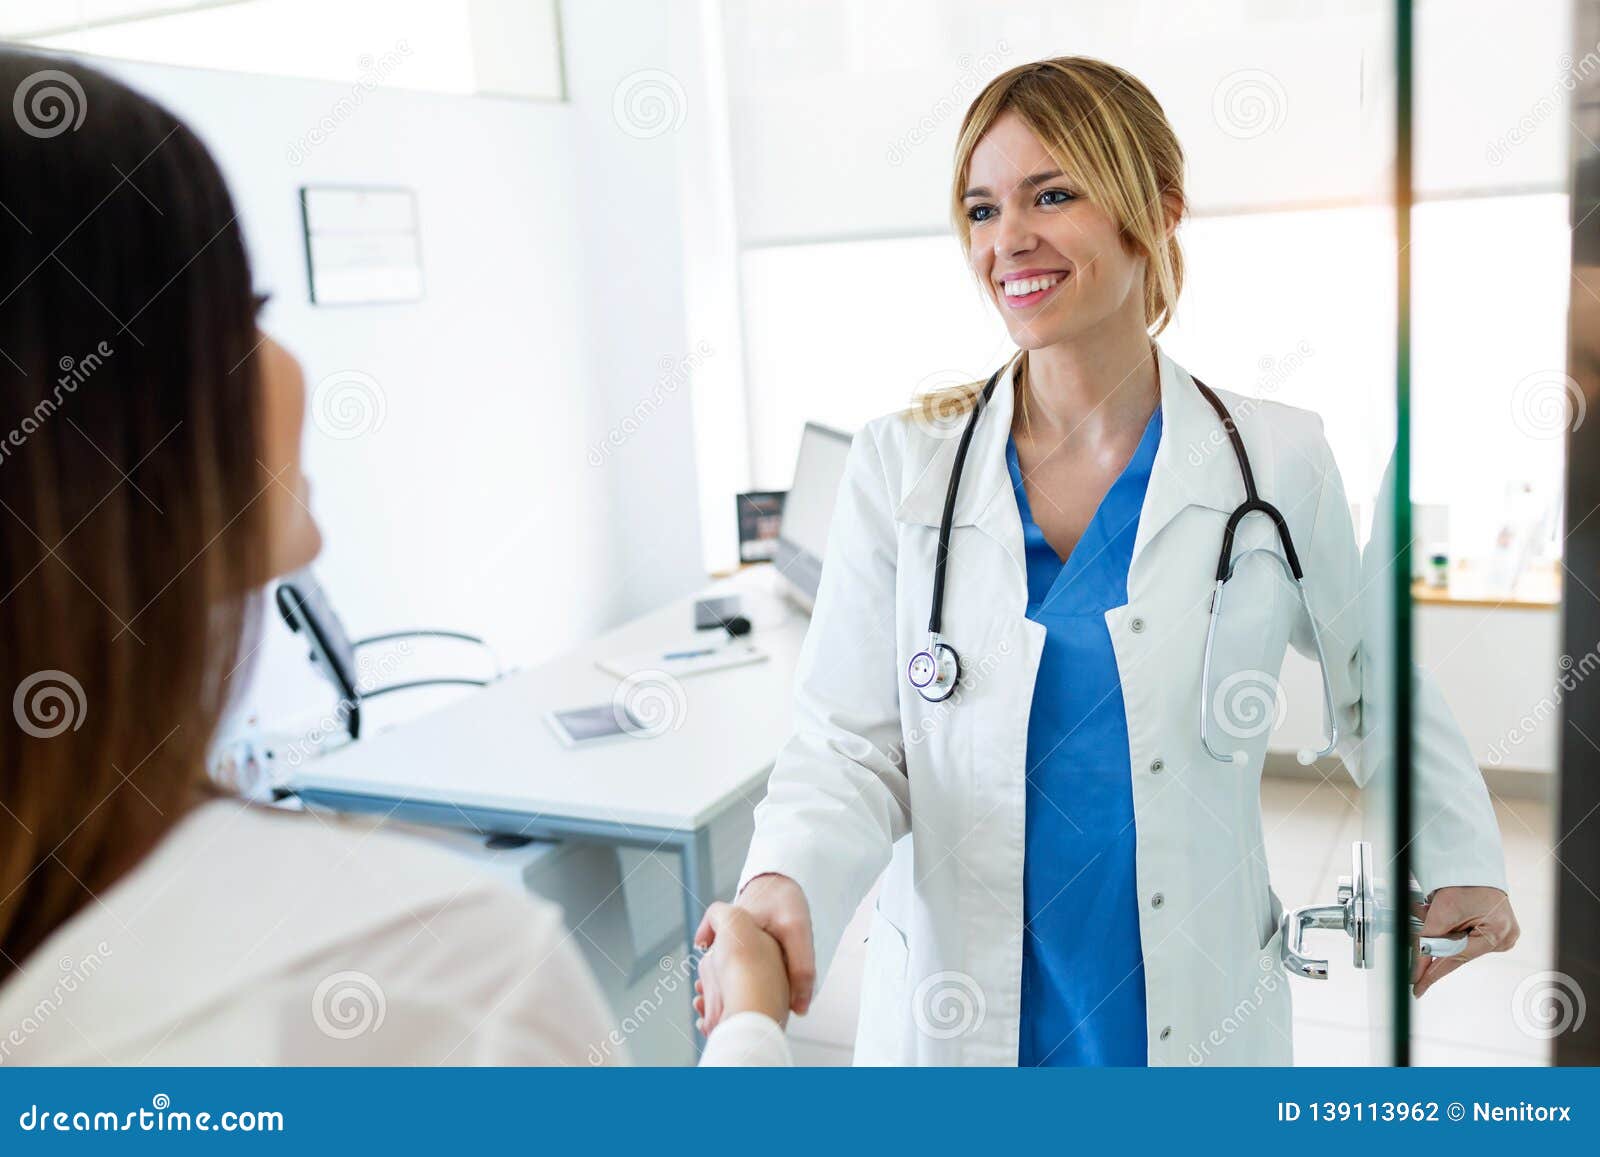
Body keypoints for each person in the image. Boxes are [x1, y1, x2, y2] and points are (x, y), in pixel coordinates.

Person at [702, 56, 1519, 1066]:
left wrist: (1457, 856)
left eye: (1052, 194)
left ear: (1156, 211)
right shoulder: (904, 461)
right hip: (960, 1009)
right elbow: (848, 744)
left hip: (1188, 999)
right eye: (980, 207)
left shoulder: (1273, 455)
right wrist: (783, 878)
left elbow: (1372, 682)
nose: (1008, 239)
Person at [0, 49, 787, 1067]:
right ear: (112, 419)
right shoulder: (434, 980)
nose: (288, 362)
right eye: (251, 311)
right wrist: (753, 1023)